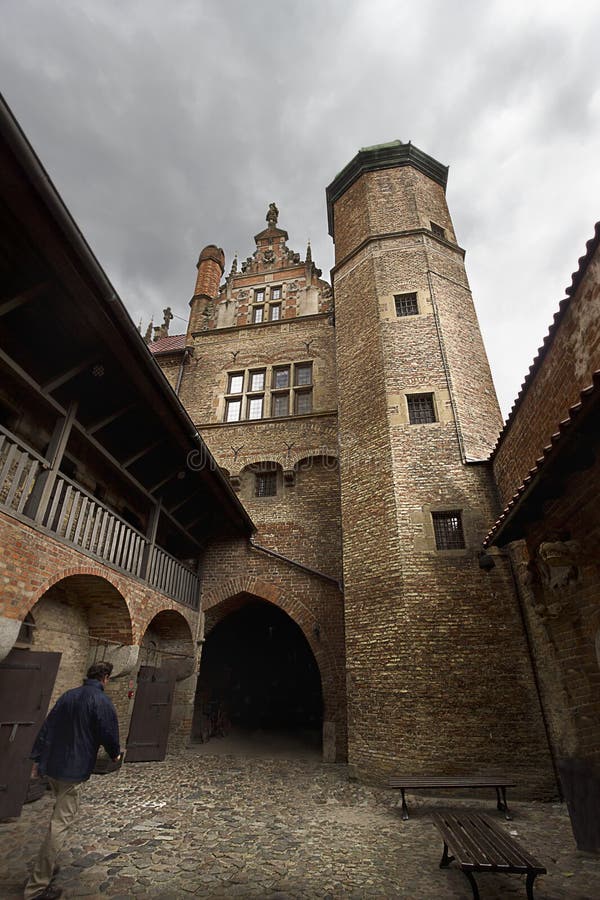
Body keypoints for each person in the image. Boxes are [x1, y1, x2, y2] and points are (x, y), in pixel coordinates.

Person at [24, 661, 121, 900]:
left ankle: (47, 865)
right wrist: (115, 753)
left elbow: (48, 727)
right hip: (73, 769)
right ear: (105, 678)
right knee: (60, 824)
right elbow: (108, 731)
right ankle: (37, 887)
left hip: (53, 765)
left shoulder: (69, 695)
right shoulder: (101, 701)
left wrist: (37, 758)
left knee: (58, 816)